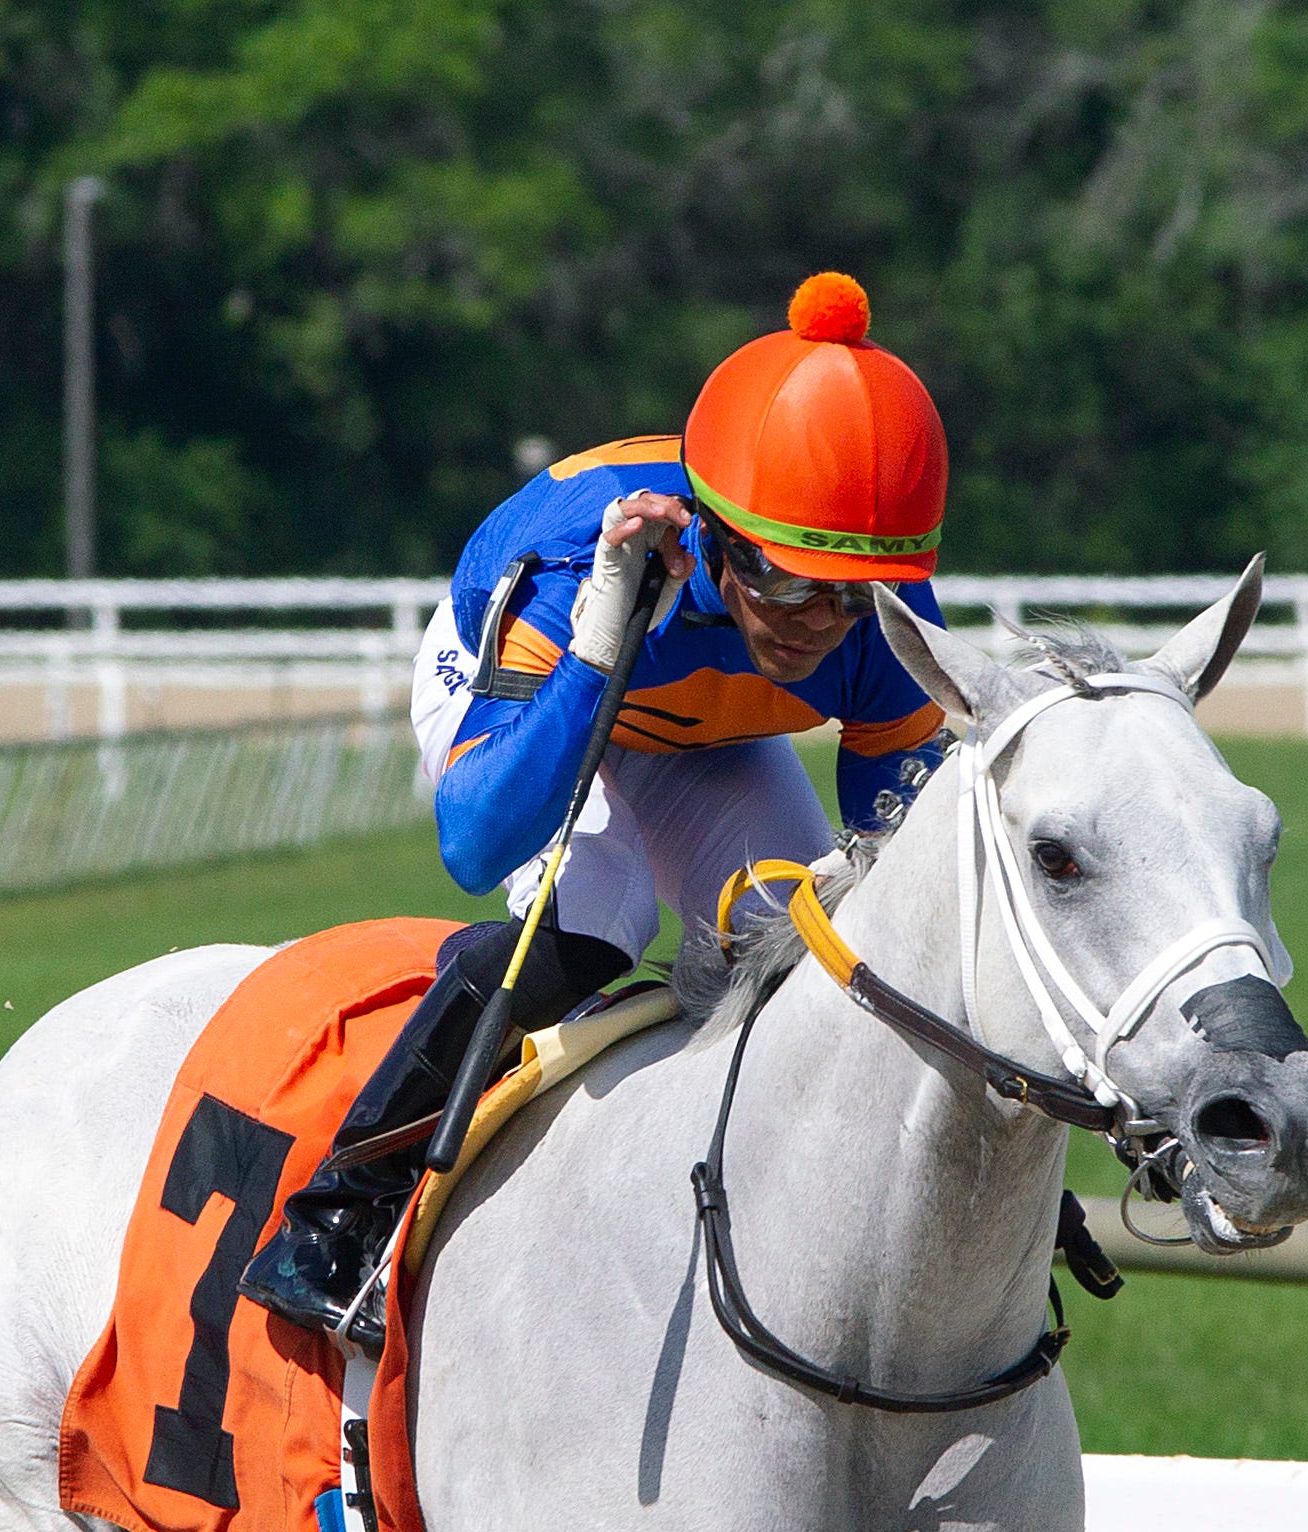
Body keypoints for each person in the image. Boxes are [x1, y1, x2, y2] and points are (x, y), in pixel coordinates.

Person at [240, 270, 953, 1345]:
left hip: (705, 731)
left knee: (814, 950)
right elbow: (474, 843)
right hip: (555, 689)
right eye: (782, 581)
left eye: (846, 593)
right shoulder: (580, 567)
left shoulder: (884, 619)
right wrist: (597, 648)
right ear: (710, 535)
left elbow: (896, 873)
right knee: (589, 923)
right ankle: (340, 1206)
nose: (815, 623)